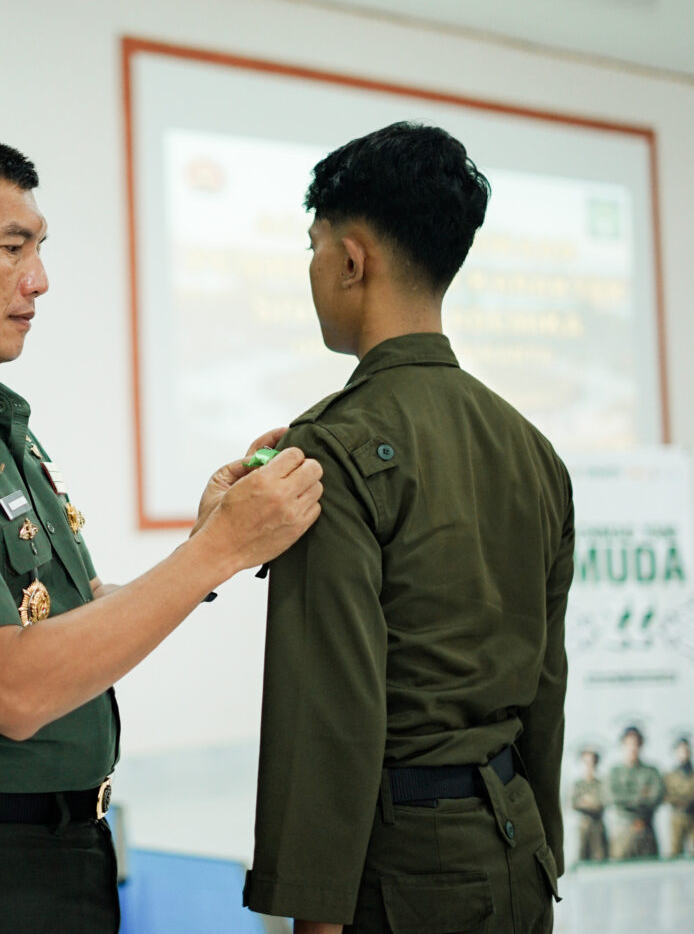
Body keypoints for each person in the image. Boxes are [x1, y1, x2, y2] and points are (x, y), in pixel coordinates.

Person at [0, 132, 323, 934]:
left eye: (39, 248)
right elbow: (12, 690)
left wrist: (207, 545)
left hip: (47, 859)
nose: (38, 281)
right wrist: (216, 552)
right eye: (14, 248)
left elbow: (55, 623)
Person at [243, 122, 574, 934]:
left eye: (314, 245)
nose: (314, 268)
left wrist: (314, 916)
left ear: (353, 260)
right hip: (515, 846)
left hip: (400, 877)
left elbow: (328, 709)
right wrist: (543, 846)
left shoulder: (329, 449)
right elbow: (547, 687)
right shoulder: (532, 448)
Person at [607, 725, 665, 859]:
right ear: (622, 744)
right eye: (629, 743)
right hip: (622, 831)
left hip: (646, 829)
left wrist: (627, 798)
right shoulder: (614, 773)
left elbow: (656, 797)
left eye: (636, 743)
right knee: (620, 874)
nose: (633, 747)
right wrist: (641, 796)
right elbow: (611, 798)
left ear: (641, 744)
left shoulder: (651, 772)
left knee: (649, 873)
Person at [663, 736, 694, 858]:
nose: (684, 753)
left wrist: (685, 800)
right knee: (675, 851)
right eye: (681, 750)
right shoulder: (670, 776)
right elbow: (669, 797)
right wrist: (683, 800)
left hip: (693, 816)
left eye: (687, 750)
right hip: (677, 817)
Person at [571, 747, 609, 863]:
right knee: (582, 858)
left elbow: (602, 802)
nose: (589, 765)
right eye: (586, 762)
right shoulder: (578, 784)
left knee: (600, 858)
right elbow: (574, 803)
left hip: (598, 826)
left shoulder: (601, 783)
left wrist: (587, 802)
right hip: (583, 826)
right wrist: (590, 802)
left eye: (592, 761)